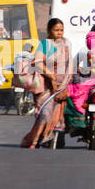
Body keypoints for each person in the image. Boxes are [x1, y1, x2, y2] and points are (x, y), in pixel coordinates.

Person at [21, 17, 74, 148]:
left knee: (57, 115)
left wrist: (66, 83)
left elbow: (70, 64)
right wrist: (51, 77)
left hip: (61, 86)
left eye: (61, 30)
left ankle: (49, 138)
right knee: (45, 114)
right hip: (46, 86)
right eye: (56, 30)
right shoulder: (46, 44)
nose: (60, 33)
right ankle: (33, 140)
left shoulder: (66, 44)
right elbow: (37, 63)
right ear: (49, 31)